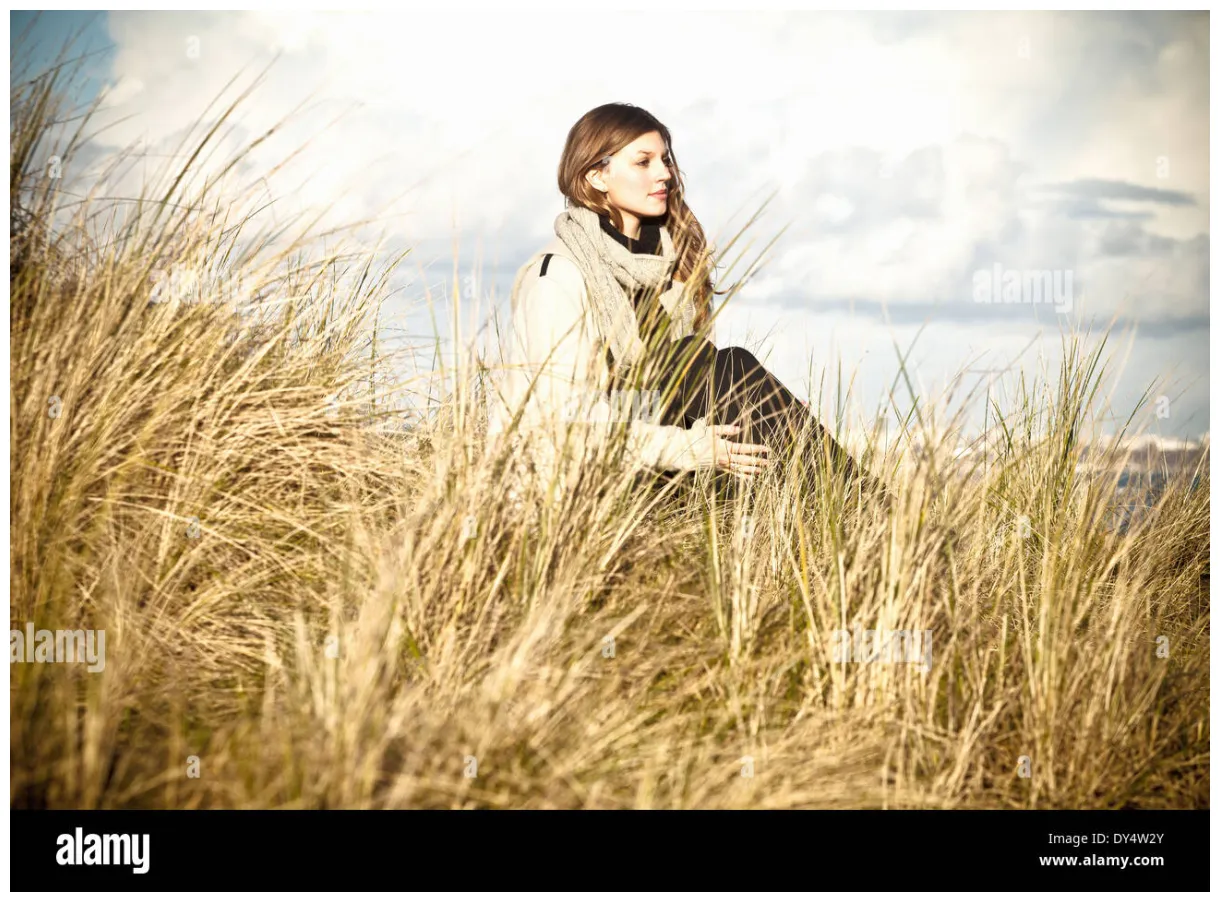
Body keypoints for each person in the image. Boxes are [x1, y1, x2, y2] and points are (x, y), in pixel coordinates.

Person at [485, 102, 890, 512]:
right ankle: (875, 517)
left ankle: (867, 527)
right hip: (570, 490)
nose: (664, 173)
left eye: (664, 160)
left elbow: (684, 395)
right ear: (597, 175)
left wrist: (770, 414)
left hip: (657, 464)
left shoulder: (672, 271)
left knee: (737, 384)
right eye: (643, 162)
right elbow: (562, 422)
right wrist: (691, 446)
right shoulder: (558, 276)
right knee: (717, 368)